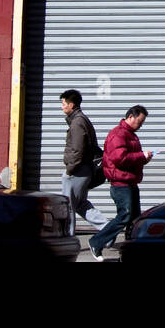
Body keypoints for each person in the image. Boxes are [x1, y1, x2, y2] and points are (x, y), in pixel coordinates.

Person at [88, 104, 154, 261]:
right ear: (130, 117)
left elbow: (132, 159)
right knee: (125, 216)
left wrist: (144, 159)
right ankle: (96, 242)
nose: (141, 125)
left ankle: (133, 251)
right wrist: (141, 156)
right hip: (120, 183)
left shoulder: (131, 135)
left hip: (131, 182)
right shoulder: (118, 134)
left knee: (135, 220)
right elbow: (120, 159)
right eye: (140, 121)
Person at [59, 89, 108, 237]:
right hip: (83, 170)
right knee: (80, 204)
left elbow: (78, 150)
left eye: (63, 104)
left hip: (77, 171)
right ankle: (108, 230)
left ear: (71, 105)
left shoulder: (78, 122)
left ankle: (69, 238)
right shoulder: (80, 120)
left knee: (69, 207)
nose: (62, 107)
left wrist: (69, 170)